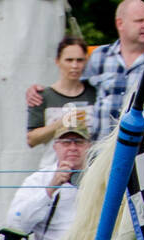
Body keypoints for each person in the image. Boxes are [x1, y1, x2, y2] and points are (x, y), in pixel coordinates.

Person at [26, 0, 144, 142]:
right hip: (101, 149)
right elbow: (72, 87)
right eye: (139, 21)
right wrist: (39, 92)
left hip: (141, 147)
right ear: (120, 24)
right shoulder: (100, 56)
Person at [26, 36, 96, 165]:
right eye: (69, 60)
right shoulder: (42, 96)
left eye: (79, 60)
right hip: (52, 169)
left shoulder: (95, 94)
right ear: (57, 61)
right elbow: (31, 139)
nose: (74, 66)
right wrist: (62, 123)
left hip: (89, 170)